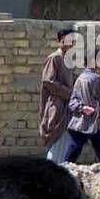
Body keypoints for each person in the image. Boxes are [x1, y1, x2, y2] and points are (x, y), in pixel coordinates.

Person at [64, 49, 100, 164]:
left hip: (79, 122)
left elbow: (72, 101)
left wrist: (81, 108)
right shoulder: (96, 78)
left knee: (74, 149)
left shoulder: (80, 78)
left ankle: (64, 168)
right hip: (92, 122)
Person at [40, 28, 77, 164]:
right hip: (57, 105)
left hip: (67, 107)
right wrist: (69, 94)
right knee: (55, 138)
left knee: (65, 141)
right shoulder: (54, 58)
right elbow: (49, 82)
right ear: (60, 41)